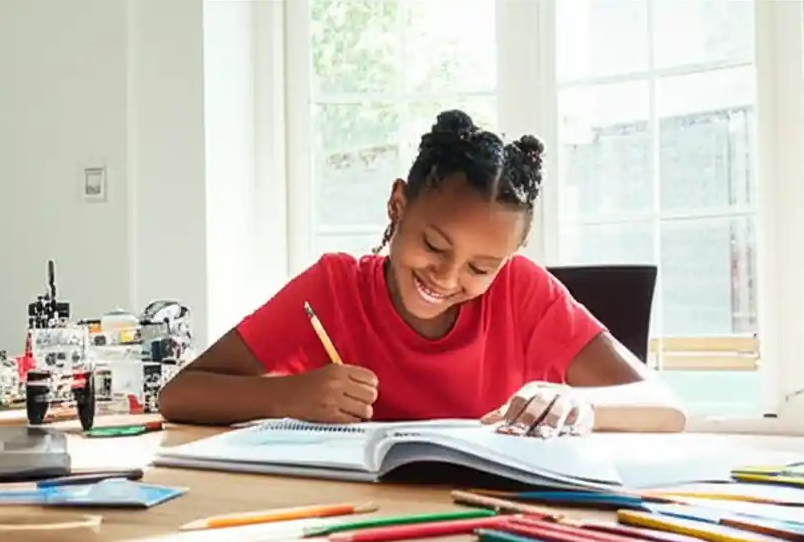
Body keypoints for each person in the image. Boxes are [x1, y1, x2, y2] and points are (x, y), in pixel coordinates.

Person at [159, 109, 687, 437]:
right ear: (397, 205)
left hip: (489, 521)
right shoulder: (333, 288)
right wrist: (289, 396)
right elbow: (180, 394)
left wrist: (577, 400)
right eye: (433, 245)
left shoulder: (522, 290)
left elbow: (665, 409)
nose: (448, 277)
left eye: (482, 267)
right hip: (349, 518)